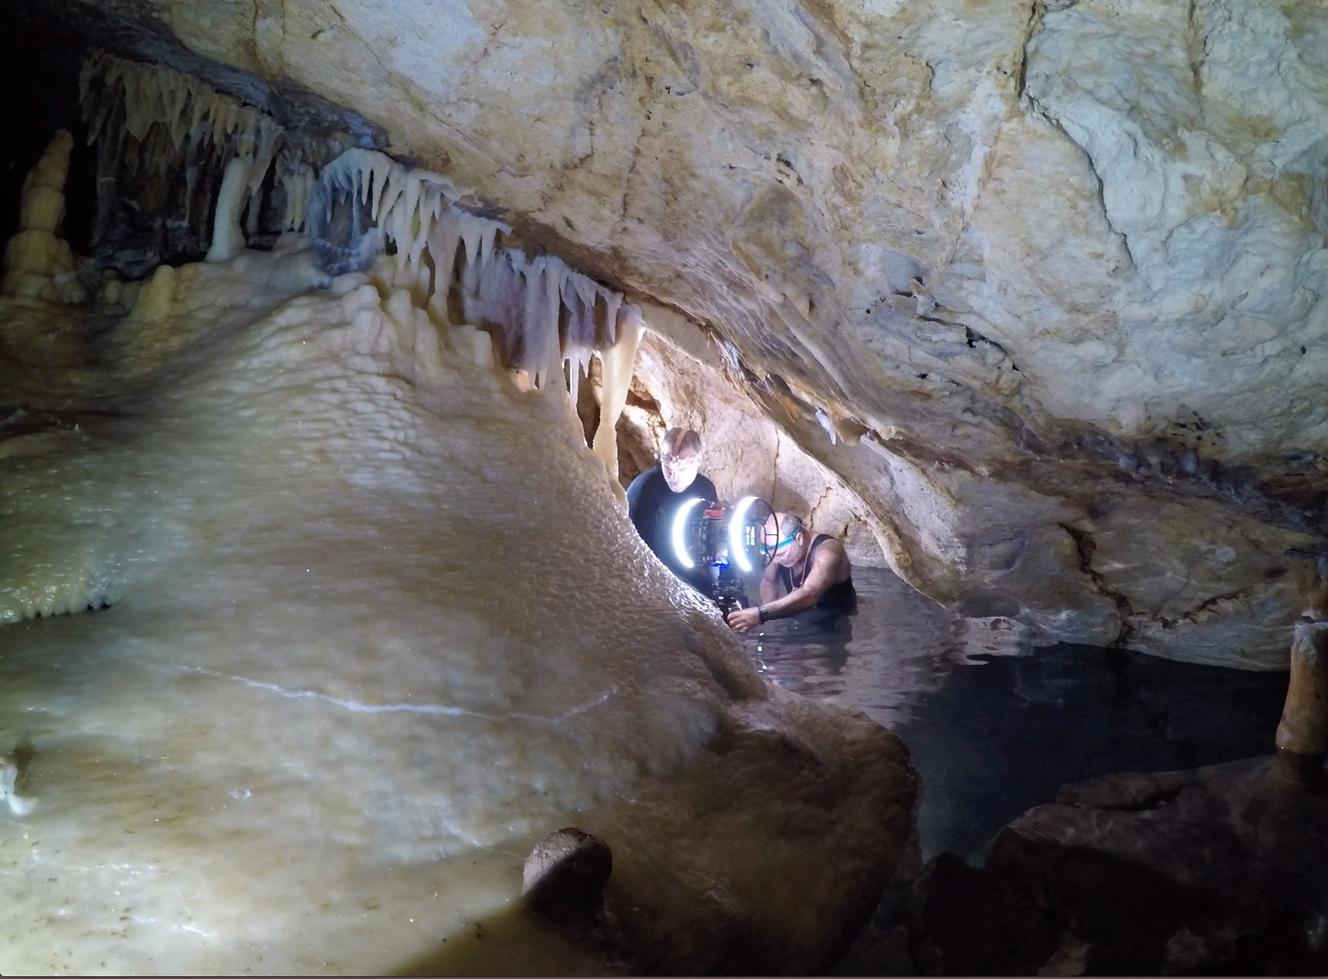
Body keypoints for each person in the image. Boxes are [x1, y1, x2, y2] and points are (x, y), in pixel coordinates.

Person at [726, 512, 855, 632]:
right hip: (799, 615)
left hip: (836, 619)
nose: (775, 560)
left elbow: (810, 594)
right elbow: (768, 582)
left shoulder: (827, 551)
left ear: (799, 539)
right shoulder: (776, 550)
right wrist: (770, 626)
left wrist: (760, 614)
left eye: (781, 554)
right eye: (771, 555)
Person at [626, 427, 718, 592]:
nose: (673, 476)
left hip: (691, 572)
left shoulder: (706, 490)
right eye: (667, 467)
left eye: (681, 468)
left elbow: (711, 546)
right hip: (650, 575)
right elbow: (630, 550)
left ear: (697, 461)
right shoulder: (644, 489)